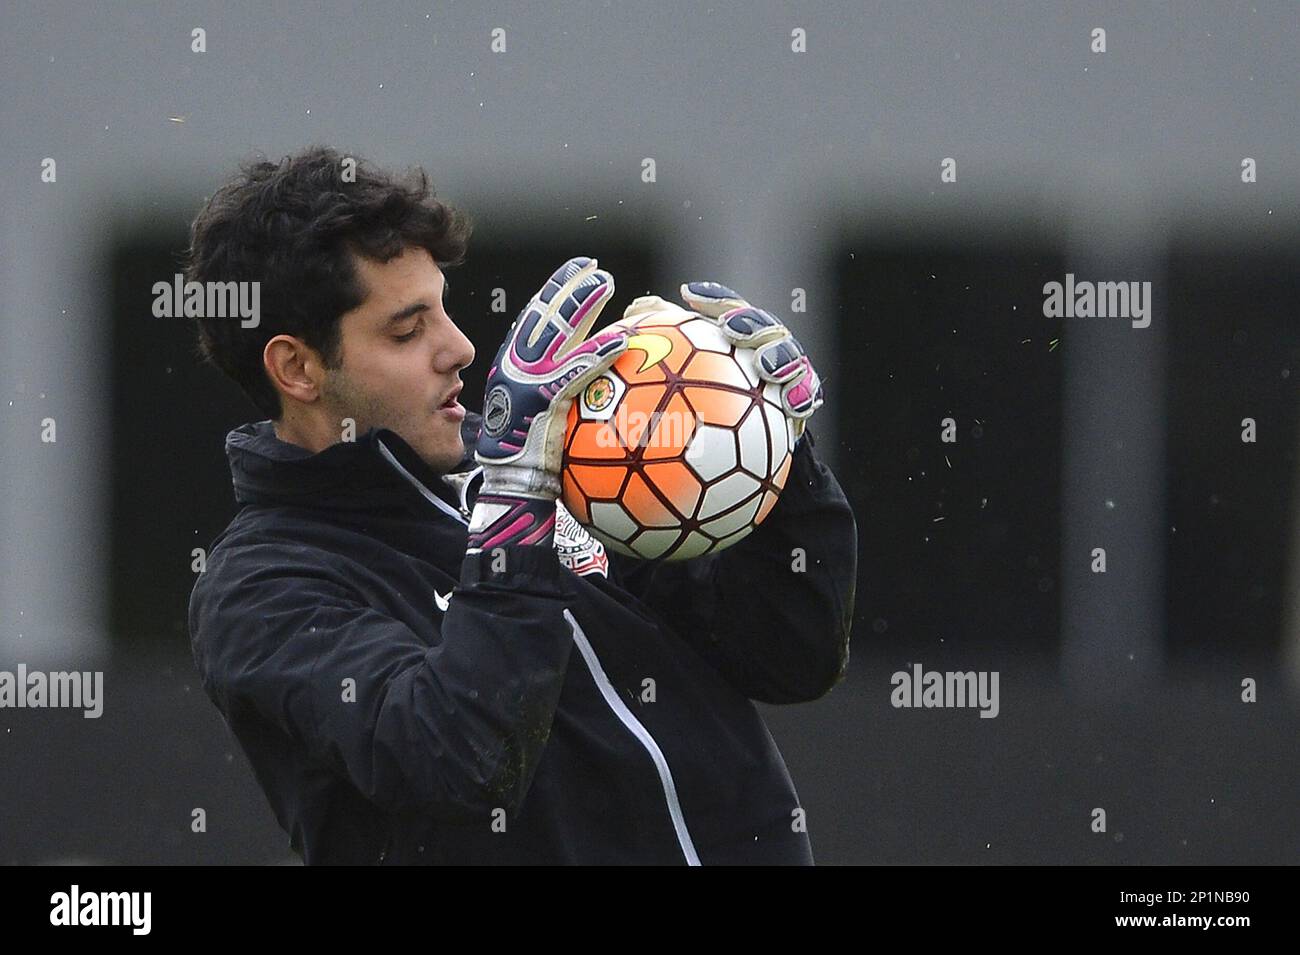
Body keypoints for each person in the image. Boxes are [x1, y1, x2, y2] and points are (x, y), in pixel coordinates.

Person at [186, 145, 858, 864]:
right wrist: (516, 508)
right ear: (298, 368)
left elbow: (789, 653)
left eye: (443, 310)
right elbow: (460, 756)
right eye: (407, 331)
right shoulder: (257, 589)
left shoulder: (532, 462)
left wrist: (770, 456)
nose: (461, 347)